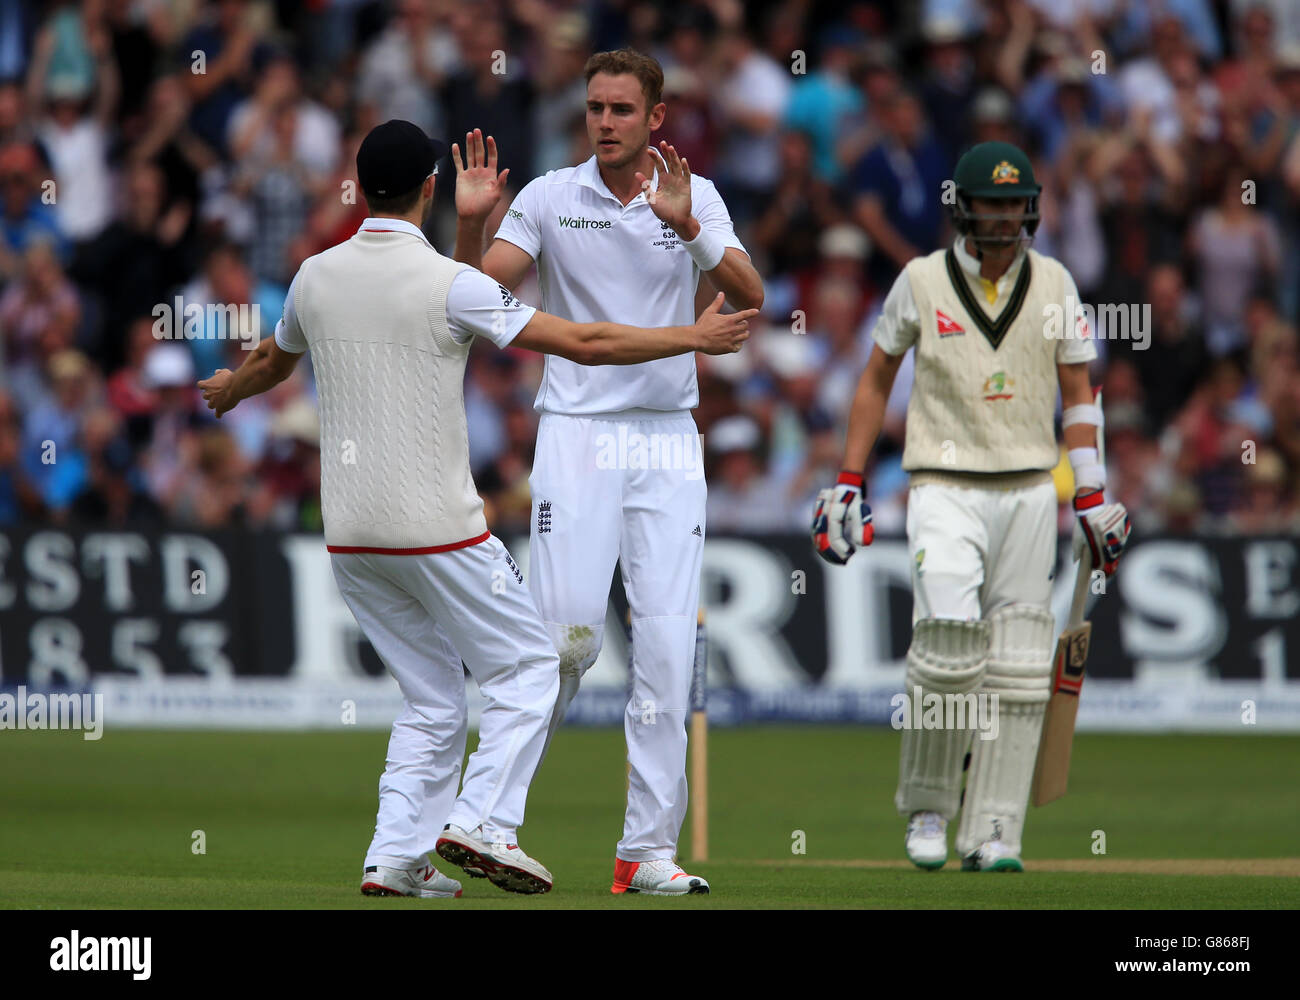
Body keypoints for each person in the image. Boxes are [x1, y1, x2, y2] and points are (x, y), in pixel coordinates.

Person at [197, 119, 752, 898]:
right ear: (429, 187)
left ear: (360, 185)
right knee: (533, 664)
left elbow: (268, 360)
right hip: (437, 531)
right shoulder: (448, 282)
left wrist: (228, 389)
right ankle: (482, 820)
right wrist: (688, 337)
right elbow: (584, 342)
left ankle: (395, 858)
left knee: (431, 699)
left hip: (350, 539)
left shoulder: (314, 275)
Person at [453, 47, 763, 896]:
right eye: (595, 108)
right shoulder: (551, 196)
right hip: (578, 434)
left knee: (666, 647)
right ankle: (488, 820)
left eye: (622, 109)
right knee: (564, 641)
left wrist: (688, 225)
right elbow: (475, 298)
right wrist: (473, 222)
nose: (605, 122)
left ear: (655, 116)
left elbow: (751, 290)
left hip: (667, 436)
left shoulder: (694, 195)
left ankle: (648, 852)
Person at [811, 141, 1131, 872]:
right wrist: (850, 479)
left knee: (1018, 670)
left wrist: (1090, 491)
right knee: (949, 645)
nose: (1003, 216)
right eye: (990, 202)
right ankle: (929, 804)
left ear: (1031, 206)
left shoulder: (1054, 284)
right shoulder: (921, 280)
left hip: (1026, 488)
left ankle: (992, 832)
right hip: (942, 485)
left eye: (1014, 203)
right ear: (963, 205)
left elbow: (1079, 394)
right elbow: (874, 379)